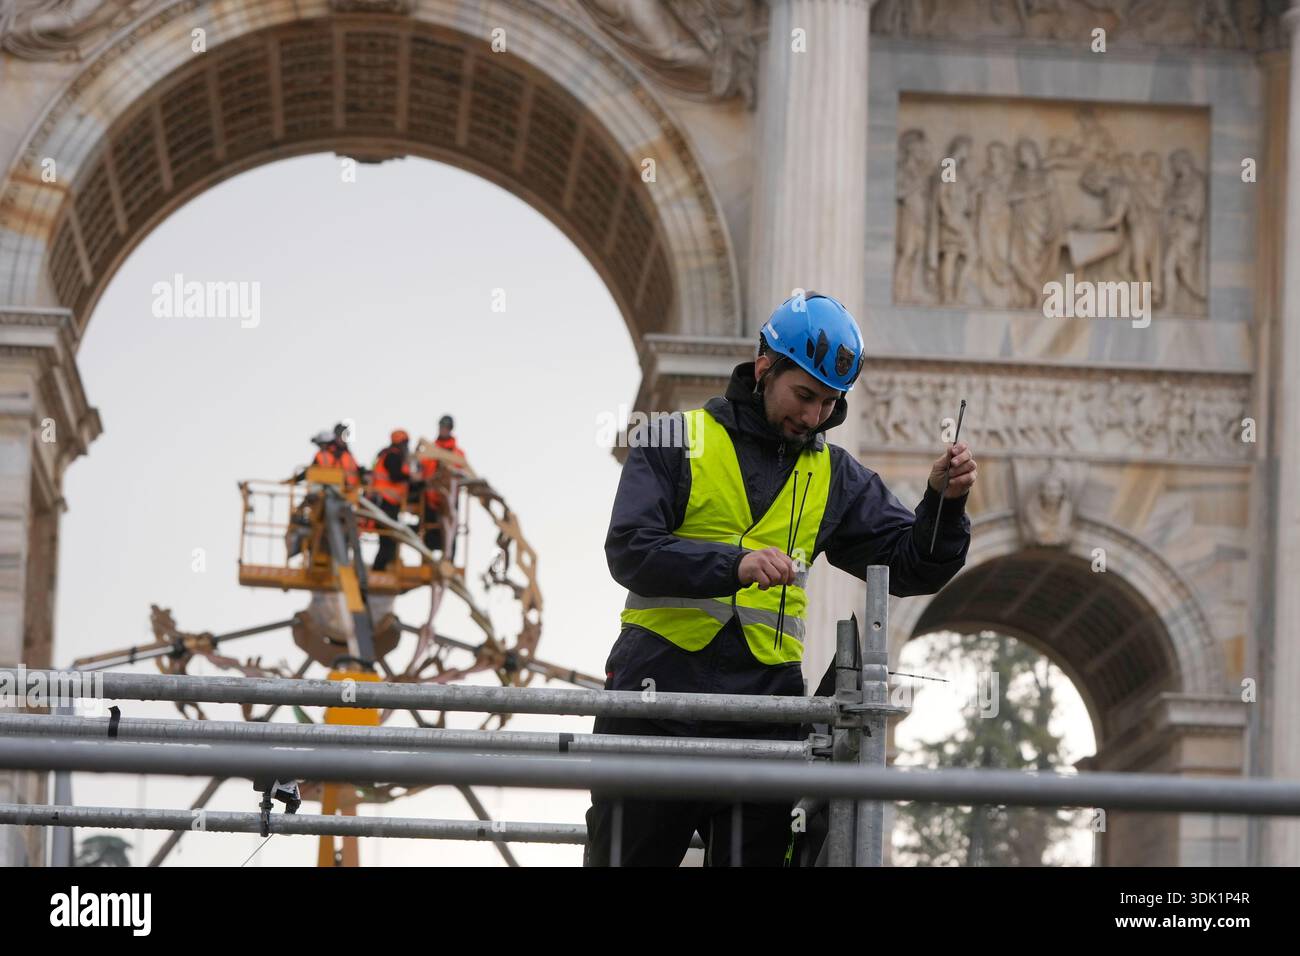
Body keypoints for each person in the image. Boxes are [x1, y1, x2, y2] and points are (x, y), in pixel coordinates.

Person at [584, 291, 977, 867]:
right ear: (764, 367)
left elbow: (910, 565)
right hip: (655, 699)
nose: (814, 416)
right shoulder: (672, 437)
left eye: (828, 403)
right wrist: (732, 566)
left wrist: (943, 505)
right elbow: (630, 550)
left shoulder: (837, 477)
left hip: (765, 716)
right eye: (804, 395)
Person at [416, 414, 465, 557]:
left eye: (446, 427)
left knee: (451, 531)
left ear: (450, 429)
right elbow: (421, 469)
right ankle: (428, 560)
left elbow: (462, 473)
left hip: (450, 499)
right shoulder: (430, 449)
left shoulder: (458, 454)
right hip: (430, 498)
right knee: (429, 531)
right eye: (442, 427)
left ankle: (449, 561)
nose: (443, 430)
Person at [370, 429, 412, 571]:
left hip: (388, 504)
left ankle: (383, 567)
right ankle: (379, 570)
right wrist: (412, 478)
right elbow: (396, 476)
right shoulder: (392, 456)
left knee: (389, 540)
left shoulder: (388, 455)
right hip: (385, 503)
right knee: (387, 541)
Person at [291, 424, 360, 488]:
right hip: (327, 490)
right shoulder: (324, 454)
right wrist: (296, 479)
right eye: (341, 435)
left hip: (348, 493)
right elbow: (311, 471)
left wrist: (363, 472)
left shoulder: (348, 456)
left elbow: (356, 470)